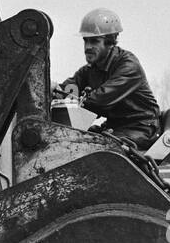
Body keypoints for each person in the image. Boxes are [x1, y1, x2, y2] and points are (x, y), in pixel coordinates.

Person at [53, 8, 161, 151]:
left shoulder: (128, 66)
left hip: (141, 128)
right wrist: (53, 90)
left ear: (110, 42)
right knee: (69, 142)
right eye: (85, 41)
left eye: (94, 41)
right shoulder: (90, 70)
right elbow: (69, 88)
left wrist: (71, 99)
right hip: (115, 128)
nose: (88, 47)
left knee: (98, 150)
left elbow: (100, 100)